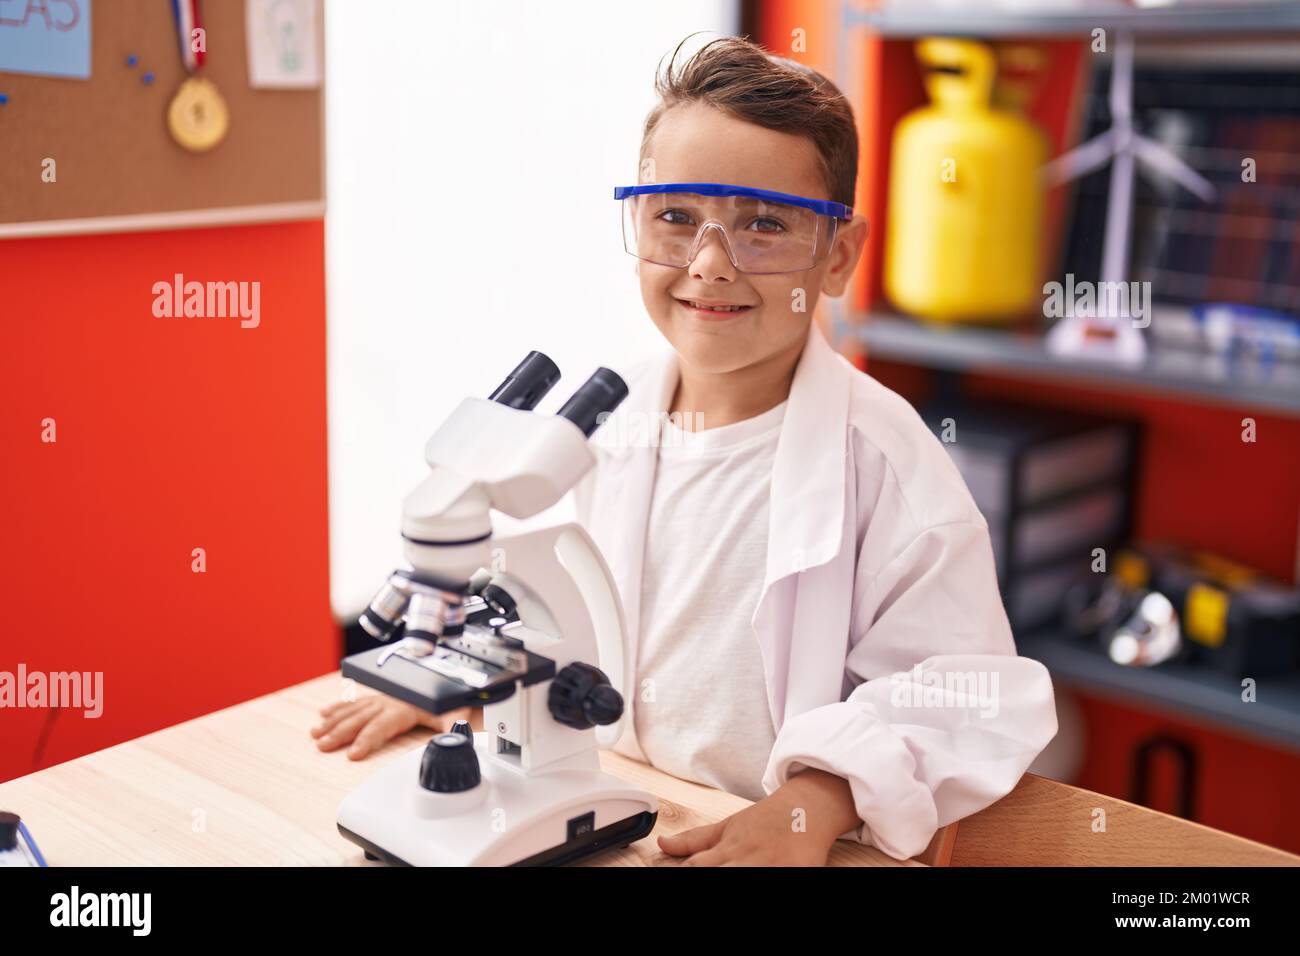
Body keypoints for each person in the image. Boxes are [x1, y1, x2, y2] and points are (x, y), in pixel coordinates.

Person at [313, 35, 1057, 865]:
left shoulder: (891, 469)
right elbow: (556, 604)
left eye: (764, 226)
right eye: (675, 217)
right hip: (620, 814)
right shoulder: (608, 417)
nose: (709, 264)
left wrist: (813, 802)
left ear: (838, 255)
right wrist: (482, 692)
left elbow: (973, 695)